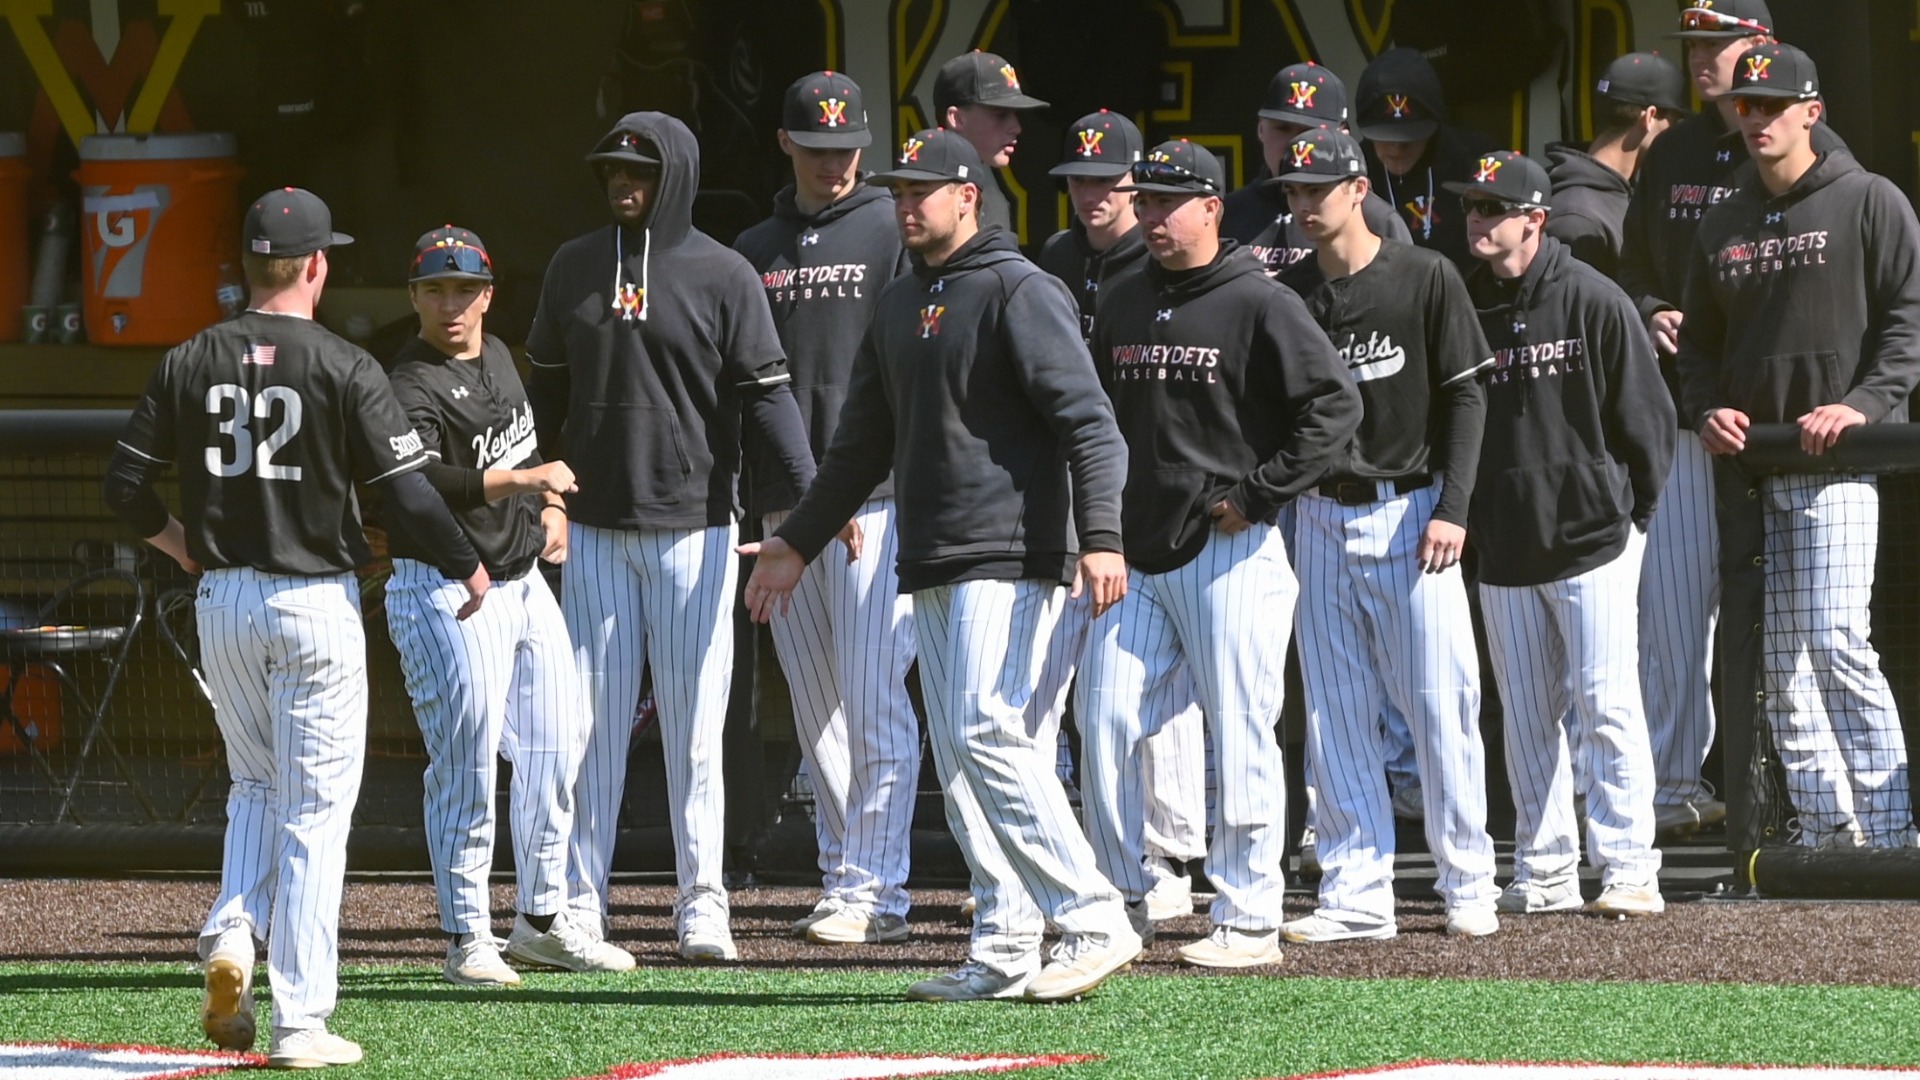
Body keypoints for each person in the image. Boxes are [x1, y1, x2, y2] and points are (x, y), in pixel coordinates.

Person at [741, 127, 1143, 1003]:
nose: (905, 202)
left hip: (1012, 551)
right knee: (961, 757)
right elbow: (857, 449)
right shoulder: (900, 302)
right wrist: (797, 542)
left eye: (923, 189)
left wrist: (1102, 538)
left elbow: (1091, 425)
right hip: (927, 555)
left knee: (987, 731)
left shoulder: (1018, 288)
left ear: (970, 195)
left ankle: (1092, 914)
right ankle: (1003, 945)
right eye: (898, 190)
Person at [103, 188, 487, 1069]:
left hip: (225, 600)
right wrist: (469, 565)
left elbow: (122, 490)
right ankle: (301, 1020)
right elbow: (413, 495)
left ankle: (234, 931)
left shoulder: (189, 356)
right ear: (318, 266)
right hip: (315, 603)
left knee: (254, 789)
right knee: (315, 814)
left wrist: (180, 546)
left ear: (248, 265)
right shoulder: (349, 366)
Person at [527, 112, 819, 963]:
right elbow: (544, 399)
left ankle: (703, 901)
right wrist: (544, 495)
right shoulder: (572, 265)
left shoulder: (726, 273)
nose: (623, 181)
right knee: (589, 725)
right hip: (592, 528)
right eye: (612, 167)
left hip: (695, 528)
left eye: (640, 170)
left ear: (677, 175)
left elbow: (768, 400)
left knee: (698, 728)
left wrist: (810, 507)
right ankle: (583, 905)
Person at [1078, 139, 1361, 967]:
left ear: (1213, 208)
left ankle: (1248, 917)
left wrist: (1260, 493)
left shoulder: (1259, 299)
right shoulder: (1125, 292)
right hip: (1138, 554)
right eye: (1147, 200)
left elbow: (1333, 406)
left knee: (1241, 733)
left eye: (1171, 201)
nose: (1154, 215)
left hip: (1230, 553)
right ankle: (1118, 898)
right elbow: (1097, 422)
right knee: (1099, 720)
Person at [1675, 43, 1920, 850]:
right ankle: (1827, 831)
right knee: (1774, 670)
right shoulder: (1721, 219)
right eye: (1744, 106)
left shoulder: (1870, 200)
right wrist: (1705, 408)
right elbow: (1701, 349)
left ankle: (1889, 834)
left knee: (1834, 642)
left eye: (1771, 106)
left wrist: (1861, 406)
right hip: (1752, 474)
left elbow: (1907, 324)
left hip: (1839, 470)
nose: (1754, 119)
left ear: (1811, 112)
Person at [382, 226, 637, 983]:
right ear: (415, 296)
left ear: (488, 295)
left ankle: (542, 920)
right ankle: (468, 937)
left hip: (522, 583)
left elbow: (522, 452)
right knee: (464, 764)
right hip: (448, 587)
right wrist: (530, 485)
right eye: (434, 289)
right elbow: (423, 484)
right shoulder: (411, 380)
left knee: (561, 744)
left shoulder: (495, 354)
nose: (450, 303)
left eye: (463, 289)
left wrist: (549, 502)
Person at [1617, 0, 1846, 837]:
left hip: (1778, 431)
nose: (1703, 57)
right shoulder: (1671, 147)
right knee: (1672, 616)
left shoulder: (1809, 142)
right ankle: (1672, 789)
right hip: (1687, 413)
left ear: (1764, 46)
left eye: (1720, 41)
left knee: (1796, 628)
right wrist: (1649, 307)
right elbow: (1633, 258)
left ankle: (1809, 804)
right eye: (1695, 44)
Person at [1275, 129, 1501, 942]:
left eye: (1318, 189)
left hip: (1412, 508)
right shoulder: (1290, 292)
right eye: (1293, 191)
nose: (1303, 204)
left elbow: (1470, 398)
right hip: (1317, 512)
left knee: (1441, 706)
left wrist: (1456, 506)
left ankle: (1468, 881)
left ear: (1357, 187)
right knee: (1337, 714)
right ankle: (1355, 894)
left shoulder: (1424, 275)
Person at [1455, 151, 1676, 916]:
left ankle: (1627, 868)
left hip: (1593, 540)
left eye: (1492, 209)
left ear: (1535, 219)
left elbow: (1648, 422)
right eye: (1472, 208)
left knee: (1605, 704)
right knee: (1524, 714)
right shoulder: (1468, 308)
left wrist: (1630, 514)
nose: (1477, 221)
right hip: (1507, 549)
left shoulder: (1593, 297)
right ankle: (1545, 870)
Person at [731, 71, 920, 946]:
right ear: (786, 145)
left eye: (846, 152)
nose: (834, 167)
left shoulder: (891, 229)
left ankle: (880, 888)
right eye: (817, 151)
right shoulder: (754, 247)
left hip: (875, 499)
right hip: (783, 510)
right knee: (816, 706)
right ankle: (844, 872)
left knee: (877, 695)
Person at [1035, 110, 1203, 922]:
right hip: (1073, 494)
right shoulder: (1057, 260)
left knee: (1160, 699)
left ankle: (1167, 855)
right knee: (1081, 692)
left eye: (1109, 181)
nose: (1093, 194)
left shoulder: (1161, 261)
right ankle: (1085, 857)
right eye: (1080, 180)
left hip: (1156, 493)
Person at [1222, 61, 1411, 276]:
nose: (1295, 144)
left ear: (1343, 136)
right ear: (1260, 129)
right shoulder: (1226, 214)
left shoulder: (1376, 220)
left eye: (1310, 132)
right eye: (1282, 128)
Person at [1353, 47, 1498, 274]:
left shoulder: (1474, 161)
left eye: (1412, 136)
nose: (1398, 147)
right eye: (1385, 137)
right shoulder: (1350, 172)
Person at [1545, 51, 1690, 278]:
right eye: (1675, 121)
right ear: (1649, 117)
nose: (1679, 132)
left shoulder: (1620, 194)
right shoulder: (1578, 218)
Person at [932, 50, 1049, 234]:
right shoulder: (916, 199)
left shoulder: (995, 201)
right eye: (1000, 114)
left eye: (1015, 114)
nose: (1016, 127)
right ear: (956, 118)